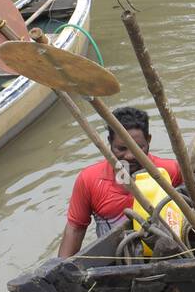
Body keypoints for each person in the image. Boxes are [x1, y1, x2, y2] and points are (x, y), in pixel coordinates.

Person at [58, 106, 181, 258]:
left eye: (137, 148)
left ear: (148, 140)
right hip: (117, 260)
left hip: (166, 254)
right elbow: (75, 229)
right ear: (109, 142)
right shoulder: (90, 180)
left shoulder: (170, 172)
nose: (129, 156)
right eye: (121, 148)